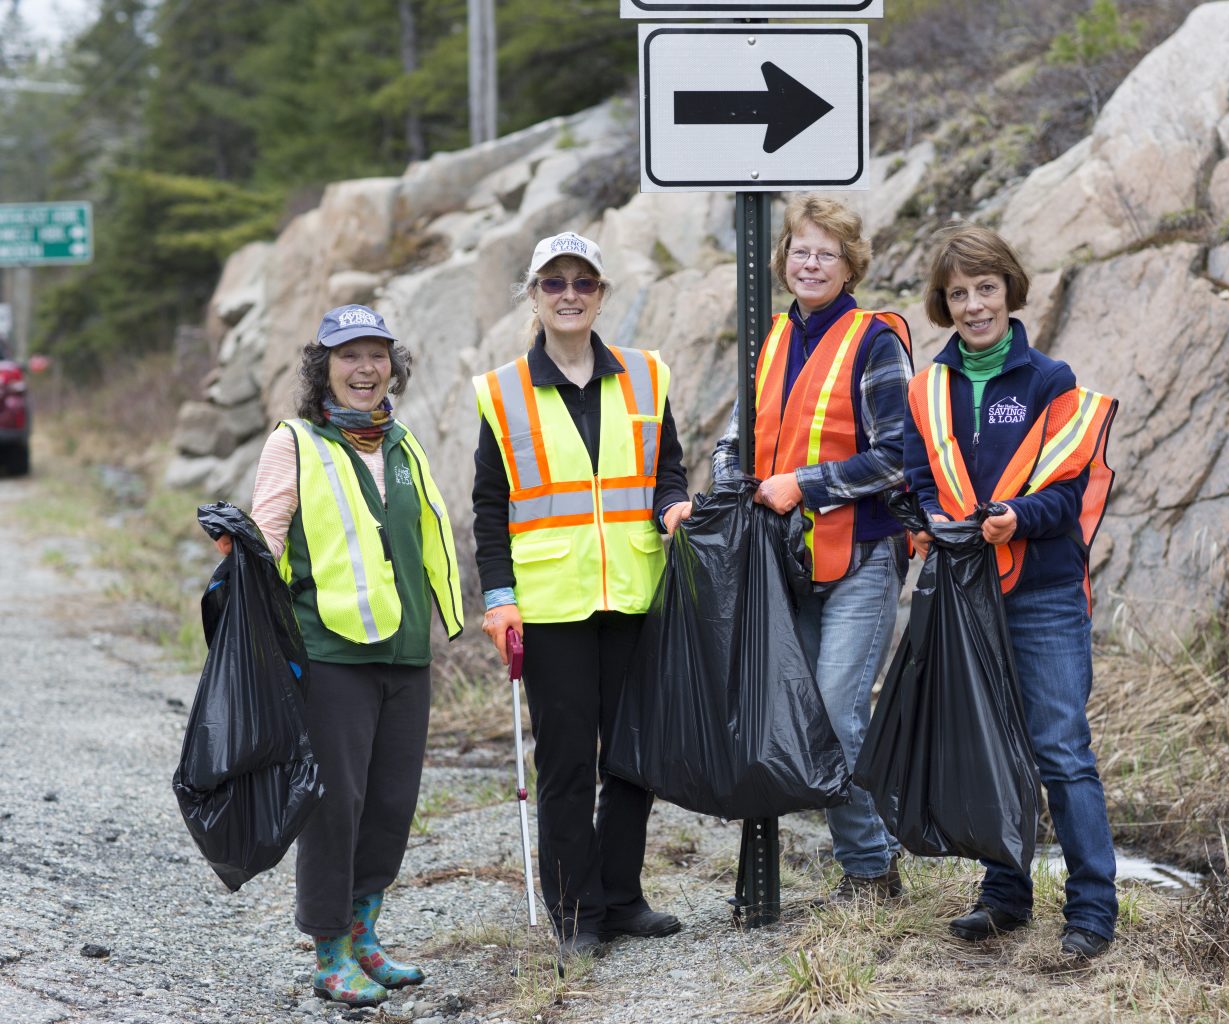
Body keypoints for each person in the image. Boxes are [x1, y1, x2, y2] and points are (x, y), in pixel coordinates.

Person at [214, 303, 464, 1006]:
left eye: (377, 355)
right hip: (330, 657)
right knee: (336, 807)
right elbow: (264, 538)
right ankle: (328, 951)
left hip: (406, 653)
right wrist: (237, 553)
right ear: (322, 366)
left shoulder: (403, 444)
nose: (365, 369)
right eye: (349, 356)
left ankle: (366, 936)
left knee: (390, 804)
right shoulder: (294, 442)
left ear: (394, 365)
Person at [471, 231, 690, 959]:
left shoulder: (645, 376)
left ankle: (623, 899)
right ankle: (574, 911)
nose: (569, 295)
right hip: (550, 606)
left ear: (601, 295)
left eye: (583, 283)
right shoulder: (503, 393)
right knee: (567, 762)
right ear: (533, 297)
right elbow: (489, 506)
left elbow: (669, 472)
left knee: (632, 758)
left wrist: (673, 508)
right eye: (554, 283)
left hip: (634, 593)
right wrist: (499, 597)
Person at [903, 223, 1119, 958]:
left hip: (1046, 592)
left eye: (985, 289)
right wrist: (929, 524)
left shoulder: (1050, 381)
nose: (973, 306)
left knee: (1061, 750)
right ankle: (1005, 895)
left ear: (1009, 291)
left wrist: (1013, 518)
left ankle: (1092, 911)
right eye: (957, 294)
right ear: (944, 303)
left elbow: (1067, 495)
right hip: (971, 595)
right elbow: (919, 481)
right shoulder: (927, 389)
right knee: (996, 747)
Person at [712, 194, 913, 904]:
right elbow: (735, 442)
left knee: (832, 710)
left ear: (851, 265)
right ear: (783, 260)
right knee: (796, 715)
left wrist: (805, 483)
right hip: (783, 562)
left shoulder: (874, 341)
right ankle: (868, 861)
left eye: (827, 252)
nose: (811, 262)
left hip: (861, 557)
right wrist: (727, 492)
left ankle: (871, 867)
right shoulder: (769, 337)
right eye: (800, 249)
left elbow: (900, 458)